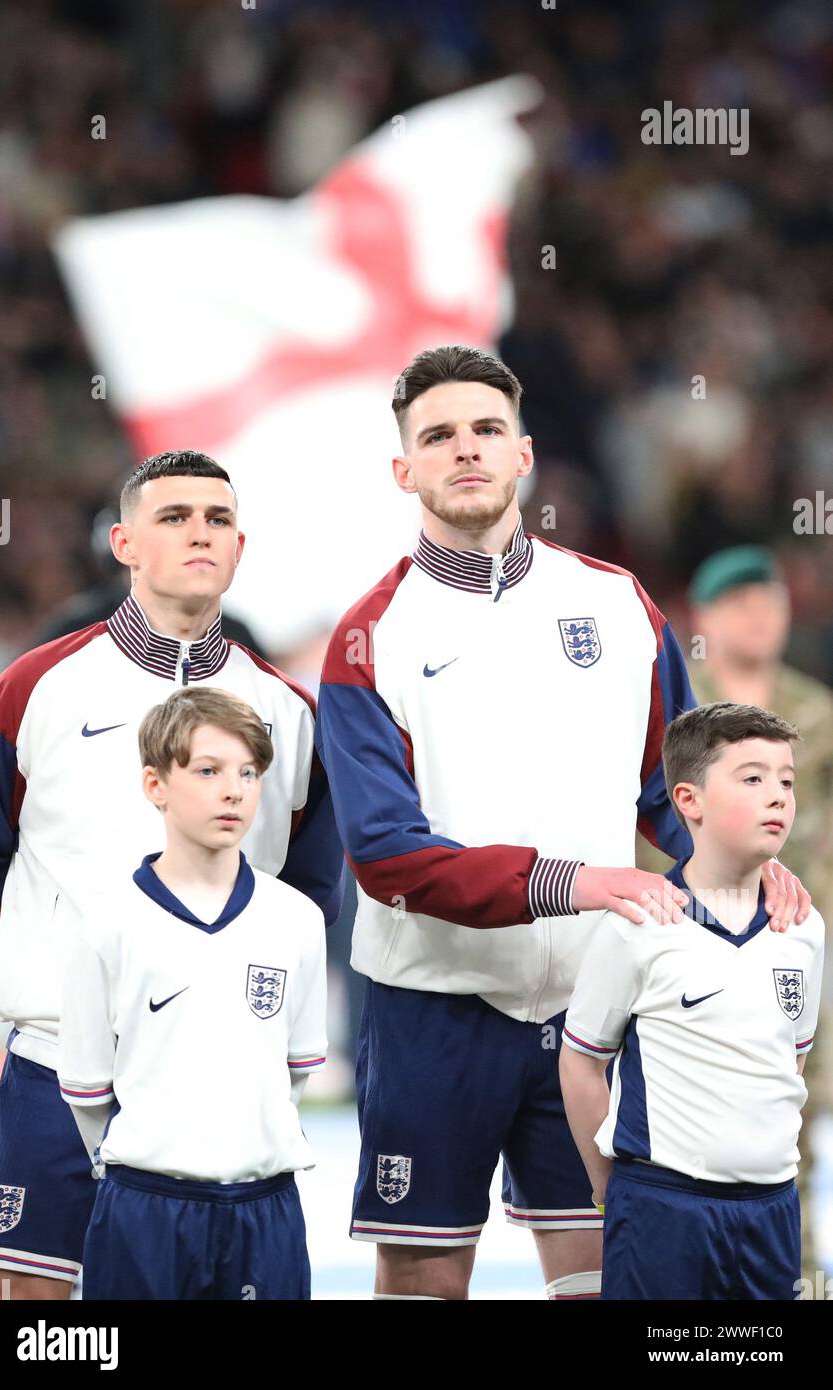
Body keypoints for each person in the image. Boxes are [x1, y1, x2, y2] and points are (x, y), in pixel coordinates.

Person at [315, 345, 808, 1302]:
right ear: (402, 469)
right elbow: (384, 856)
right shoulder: (370, 636)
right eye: (439, 436)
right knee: (423, 1276)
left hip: (595, 1003)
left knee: (604, 1272)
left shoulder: (616, 603)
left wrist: (743, 863)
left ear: (525, 453)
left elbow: (673, 791)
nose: (466, 451)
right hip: (432, 1004)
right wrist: (581, 881)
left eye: (487, 430)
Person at [0, 450, 343, 1299]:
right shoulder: (41, 686)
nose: (197, 534)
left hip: (221, 1076)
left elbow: (307, 894)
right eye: (173, 517)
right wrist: (67, 948)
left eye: (216, 519)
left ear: (241, 545)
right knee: (38, 1320)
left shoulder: (290, 713)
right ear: (125, 543)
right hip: (56, 1065)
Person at [58, 688, 326, 1300]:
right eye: (208, 771)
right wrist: (160, 1152)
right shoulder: (108, 921)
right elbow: (86, 1089)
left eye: (249, 772)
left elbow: (298, 1067)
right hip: (145, 1210)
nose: (233, 790)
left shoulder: (296, 918)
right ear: (156, 785)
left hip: (266, 1211)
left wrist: (241, 1147)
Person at [560, 702, 825, 1300]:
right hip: (663, 1208)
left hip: (771, 1209)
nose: (778, 796)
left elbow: (792, 1060)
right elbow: (579, 1061)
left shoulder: (805, 929)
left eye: (787, 781)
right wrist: (613, 1190)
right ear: (688, 801)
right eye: (752, 779)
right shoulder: (639, 924)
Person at [636, 543, 833, 1276]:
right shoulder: (680, 720)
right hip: (696, 945)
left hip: (799, 949)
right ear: (706, 617)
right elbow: (650, 829)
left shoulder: (818, 713)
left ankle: (795, 1283)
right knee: (684, 1124)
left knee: (793, 1122)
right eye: (740, 603)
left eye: (770, 600)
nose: (759, 616)